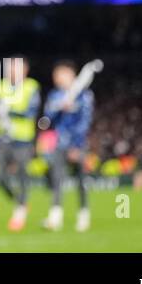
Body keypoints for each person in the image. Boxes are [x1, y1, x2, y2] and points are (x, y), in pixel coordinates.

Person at [41, 61, 93, 233]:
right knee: (57, 179)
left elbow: (85, 122)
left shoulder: (84, 95)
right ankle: (55, 217)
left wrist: (76, 145)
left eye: (60, 74)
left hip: (78, 144)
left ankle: (83, 215)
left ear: (71, 74)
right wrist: (60, 108)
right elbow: (47, 119)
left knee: (81, 180)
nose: (57, 78)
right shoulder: (55, 95)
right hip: (59, 143)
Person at [0, 55, 40, 232]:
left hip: (23, 138)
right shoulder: (1, 85)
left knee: (22, 174)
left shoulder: (31, 86)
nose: (12, 70)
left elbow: (31, 112)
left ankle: (20, 211)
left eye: (16, 67)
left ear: (25, 70)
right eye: (10, 67)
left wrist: (10, 112)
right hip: (3, 137)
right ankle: (18, 200)